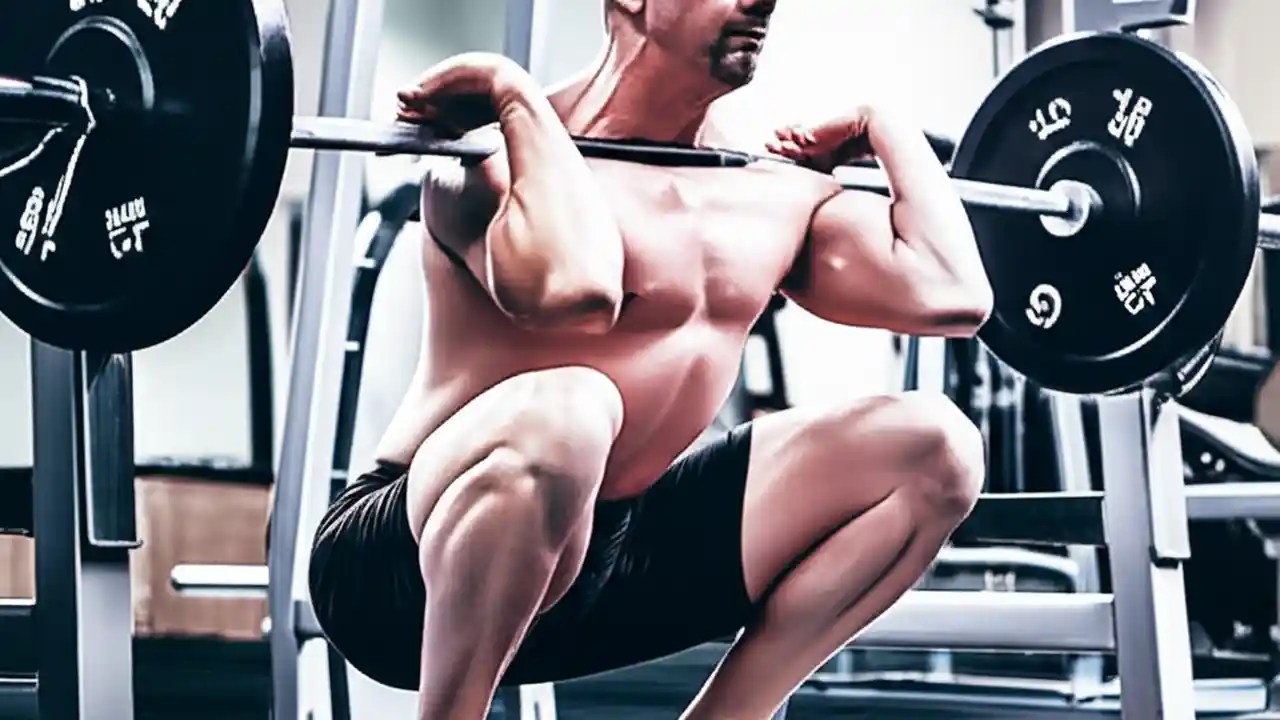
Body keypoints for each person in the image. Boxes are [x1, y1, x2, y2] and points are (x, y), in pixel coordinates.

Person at [308, 0, 994, 717]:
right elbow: (572, 292)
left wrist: (884, 125)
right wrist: (517, 96)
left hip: (611, 559)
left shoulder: (772, 185)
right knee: (575, 407)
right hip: (398, 574)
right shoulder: (485, 161)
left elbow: (953, 296)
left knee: (937, 447)